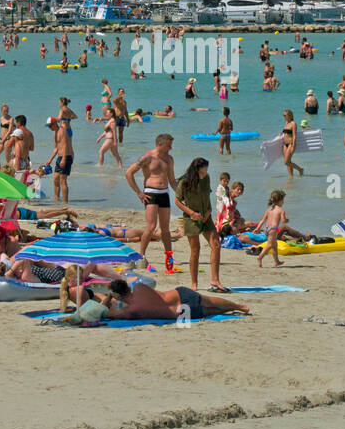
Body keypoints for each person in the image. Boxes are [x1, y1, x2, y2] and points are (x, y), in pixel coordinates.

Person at [125, 133, 177, 271]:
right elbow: (128, 173)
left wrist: (180, 194)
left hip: (164, 193)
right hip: (150, 193)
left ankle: (169, 257)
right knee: (151, 226)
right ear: (160, 144)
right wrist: (139, 193)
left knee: (165, 228)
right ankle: (141, 256)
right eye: (169, 144)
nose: (171, 147)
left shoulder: (169, 159)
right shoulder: (147, 157)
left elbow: (172, 180)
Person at [176, 157, 223, 291]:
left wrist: (209, 210)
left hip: (206, 216)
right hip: (191, 218)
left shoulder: (206, 178)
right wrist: (191, 213)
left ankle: (215, 280)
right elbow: (177, 201)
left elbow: (207, 195)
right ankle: (194, 282)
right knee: (195, 250)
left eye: (206, 171)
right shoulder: (184, 182)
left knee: (216, 245)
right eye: (202, 172)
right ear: (196, 170)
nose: (204, 174)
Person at [103, 277, 248, 320]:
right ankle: (238, 306)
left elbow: (107, 314)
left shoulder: (131, 311)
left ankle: (234, 309)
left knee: (209, 310)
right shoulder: (140, 288)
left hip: (181, 312)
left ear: (118, 296)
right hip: (178, 294)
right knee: (208, 300)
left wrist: (109, 298)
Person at [44, 116, 74, 203]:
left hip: (67, 156)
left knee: (63, 180)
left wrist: (64, 159)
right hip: (59, 157)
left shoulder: (62, 131)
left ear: (54, 124)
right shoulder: (55, 133)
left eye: (50, 126)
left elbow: (65, 145)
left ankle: (65, 202)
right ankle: (56, 200)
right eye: (48, 126)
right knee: (55, 179)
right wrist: (50, 160)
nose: (49, 128)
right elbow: (56, 148)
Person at [280, 109, 303, 177]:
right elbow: (285, 133)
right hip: (285, 144)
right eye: (283, 115)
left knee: (286, 162)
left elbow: (294, 135)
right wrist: (280, 134)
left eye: (285, 115)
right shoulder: (286, 123)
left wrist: (293, 145)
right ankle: (291, 177)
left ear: (289, 115)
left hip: (290, 144)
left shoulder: (293, 124)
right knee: (288, 162)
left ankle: (300, 169)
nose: (283, 116)